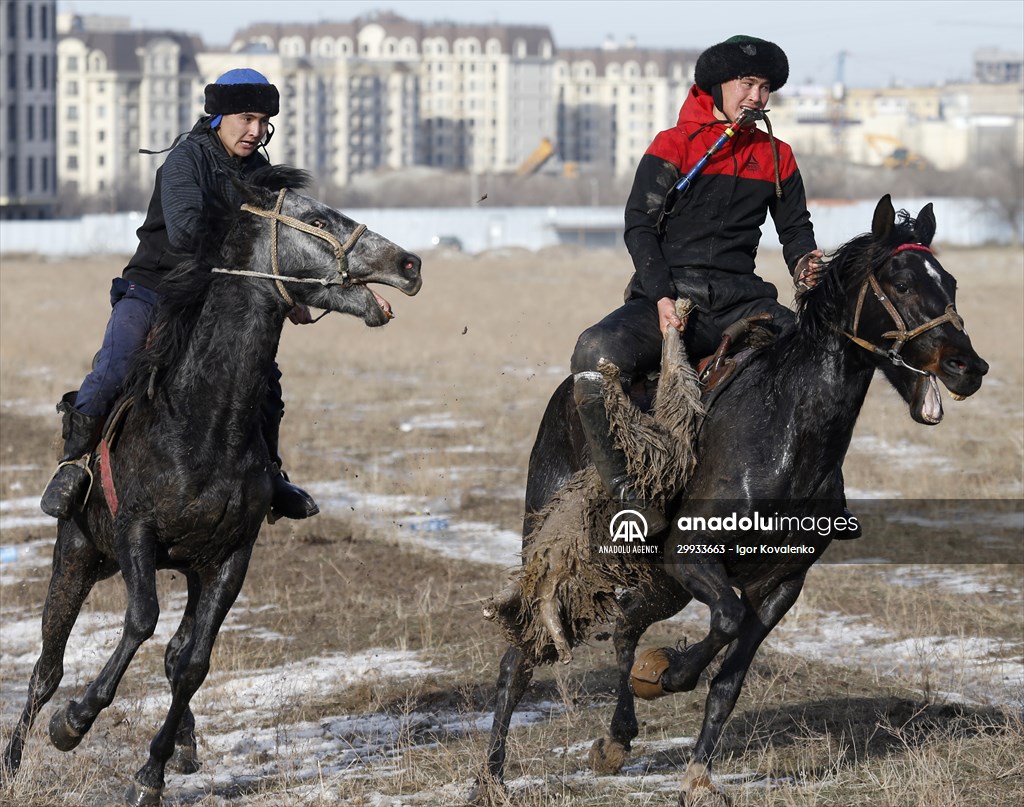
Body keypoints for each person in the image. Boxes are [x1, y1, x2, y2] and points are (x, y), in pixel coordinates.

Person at [40, 68, 319, 523]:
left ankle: (271, 474)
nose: (256, 130)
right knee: (117, 362)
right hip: (153, 288)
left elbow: (275, 245)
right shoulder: (185, 161)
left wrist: (297, 294)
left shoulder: (260, 173)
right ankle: (73, 465)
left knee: (262, 378)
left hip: (213, 298)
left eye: (264, 121)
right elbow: (189, 231)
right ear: (219, 116)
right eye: (247, 118)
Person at [570, 35, 824, 531]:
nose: (756, 97)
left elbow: (795, 230)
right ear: (717, 86)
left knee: (817, 356)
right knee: (591, 350)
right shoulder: (674, 144)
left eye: (765, 87)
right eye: (746, 84)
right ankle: (627, 492)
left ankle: (801, 492)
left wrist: (803, 264)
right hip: (668, 297)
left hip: (741, 301)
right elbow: (638, 225)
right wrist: (662, 296)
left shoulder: (778, 156)